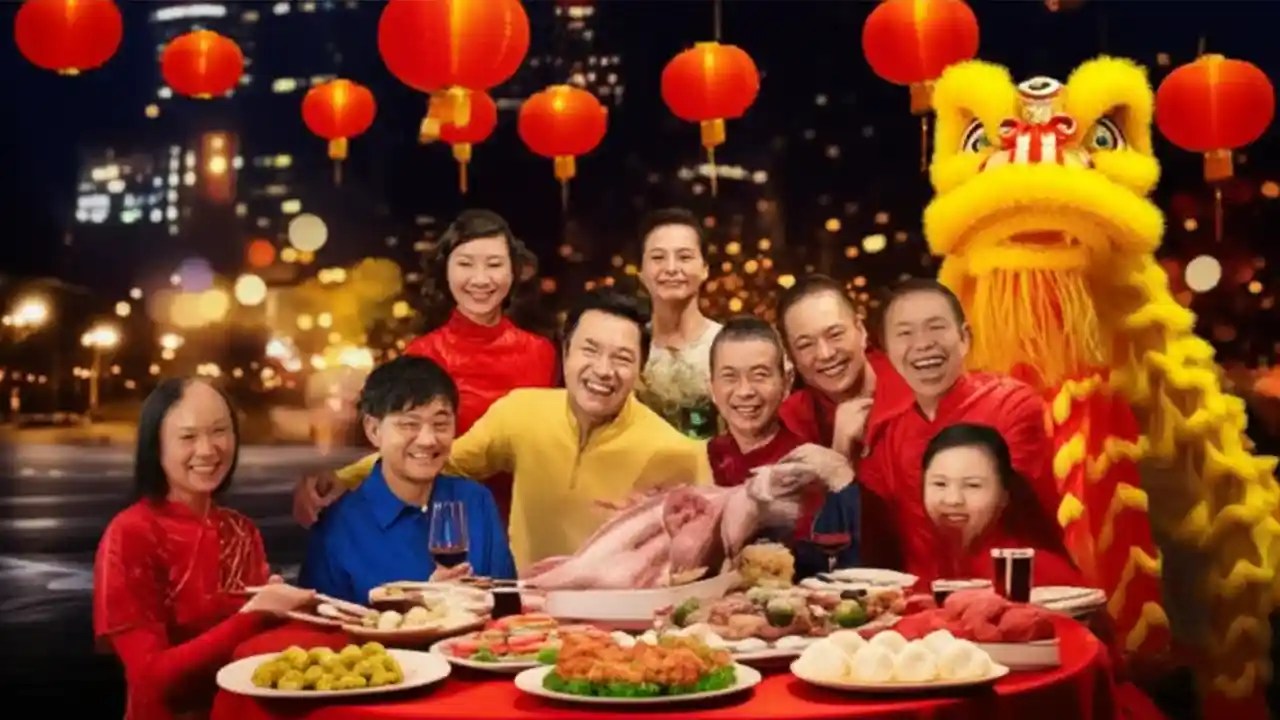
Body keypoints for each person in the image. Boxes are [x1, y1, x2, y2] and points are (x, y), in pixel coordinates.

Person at [293, 289, 712, 572]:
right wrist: (342, 479)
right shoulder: (521, 411)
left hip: (624, 624)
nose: (603, 370)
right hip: (521, 616)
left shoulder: (677, 451)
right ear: (565, 352)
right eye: (590, 350)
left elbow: (705, 552)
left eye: (622, 358)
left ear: (640, 368)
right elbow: (438, 456)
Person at [93, 378, 314, 720]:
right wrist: (254, 615)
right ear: (156, 445)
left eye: (219, 431)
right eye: (188, 437)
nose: (208, 449)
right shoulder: (131, 534)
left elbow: (255, 653)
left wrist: (286, 612)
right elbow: (151, 678)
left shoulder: (241, 530)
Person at [859, 278, 1063, 576]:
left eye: (936, 327)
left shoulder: (1011, 404)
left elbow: (1009, 513)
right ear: (887, 352)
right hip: (924, 605)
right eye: (905, 333)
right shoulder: (889, 435)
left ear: (965, 338)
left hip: (1015, 589)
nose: (923, 343)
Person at [299, 356, 516, 603]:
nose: (427, 439)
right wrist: (423, 605)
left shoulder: (475, 502)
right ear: (374, 430)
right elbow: (319, 629)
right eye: (409, 424)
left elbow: (506, 608)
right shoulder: (338, 526)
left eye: (440, 424)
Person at [393, 209, 557, 526]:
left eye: (494, 265)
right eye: (465, 264)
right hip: (447, 520)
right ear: (446, 271)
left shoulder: (542, 352)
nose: (480, 279)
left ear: (514, 271)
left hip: (528, 520)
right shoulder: (421, 355)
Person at [706, 316, 860, 576]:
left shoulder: (810, 468)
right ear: (711, 387)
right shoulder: (697, 458)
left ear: (787, 382)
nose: (745, 391)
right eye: (729, 377)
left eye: (760, 375)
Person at [919, 423, 1080, 587]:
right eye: (939, 484)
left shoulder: (1028, 570)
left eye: (972, 485)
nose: (952, 500)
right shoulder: (930, 559)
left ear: (1004, 495)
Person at [635, 208, 722, 438]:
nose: (671, 269)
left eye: (684, 257)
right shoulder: (628, 348)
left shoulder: (725, 346)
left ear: (705, 269)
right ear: (641, 273)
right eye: (657, 258)